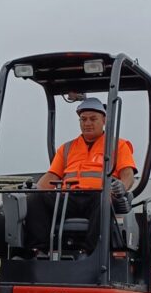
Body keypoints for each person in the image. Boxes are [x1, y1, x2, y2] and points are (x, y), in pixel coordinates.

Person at [25, 97, 137, 255]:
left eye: (93, 119)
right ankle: (38, 250)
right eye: (83, 119)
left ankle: (92, 253)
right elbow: (51, 176)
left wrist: (122, 186)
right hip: (68, 198)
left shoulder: (118, 145)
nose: (87, 123)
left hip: (98, 197)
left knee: (104, 200)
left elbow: (128, 174)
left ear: (104, 120)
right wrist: (36, 190)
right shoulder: (67, 148)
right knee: (35, 199)